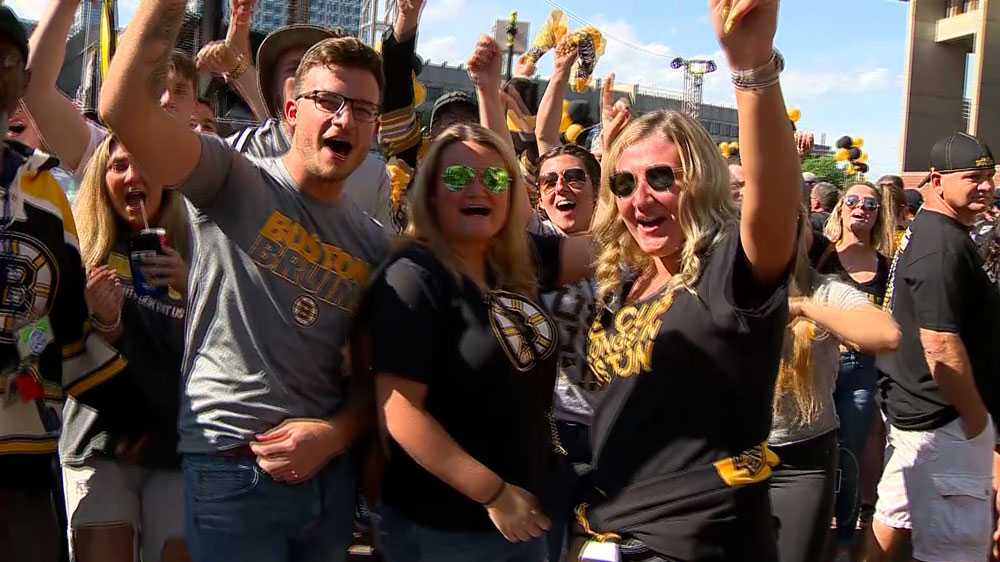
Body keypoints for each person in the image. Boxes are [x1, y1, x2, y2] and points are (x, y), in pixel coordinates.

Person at [100, 0, 390, 558]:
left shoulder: (376, 244)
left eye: (362, 108)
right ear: (289, 110)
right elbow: (123, 107)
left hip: (329, 482)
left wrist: (333, 435)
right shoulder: (233, 178)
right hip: (233, 471)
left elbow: (378, 379)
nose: (344, 119)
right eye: (327, 101)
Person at [576, 2, 801, 559]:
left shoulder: (730, 271)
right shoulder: (624, 281)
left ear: (699, 180)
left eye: (659, 178)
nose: (640, 197)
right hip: (607, 530)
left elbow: (774, 201)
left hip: (699, 542)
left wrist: (750, 70)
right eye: (624, 184)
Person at [0, 7, 126, 561]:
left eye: (5, 60)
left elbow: (57, 331)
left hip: (22, 452)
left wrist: (105, 319)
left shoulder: (45, 191)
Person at [869, 132, 1000, 562]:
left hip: (919, 415)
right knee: (956, 551)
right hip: (946, 422)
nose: (985, 185)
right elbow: (940, 344)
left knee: (893, 521)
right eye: (972, 176)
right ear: (937, 181)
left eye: (989, 175)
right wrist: (978, 422)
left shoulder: (933, 229)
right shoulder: (941, 245)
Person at [61, 134, 192, 562]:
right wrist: (103, 324)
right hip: (99, 445)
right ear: (101, 182)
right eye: (118, 166)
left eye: (144, 164)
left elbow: (227, 348)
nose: (132, 175)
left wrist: (192, 288)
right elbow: (47, 348)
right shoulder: (80, 254)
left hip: (175, 450)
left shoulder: (198, 251)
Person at [769, 211, 899, 562]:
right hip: (730, 456)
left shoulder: (822, 289)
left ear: (803, 239)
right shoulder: (720, 288)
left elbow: (885, 334)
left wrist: (804, 308)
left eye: (782, 229)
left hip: (801, 457)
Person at [202, 0, 395, 228]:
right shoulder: (243, 154)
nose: (310, 78)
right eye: (296, 69)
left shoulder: (373, 176)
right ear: (283, 101)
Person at [24, 0, 198, 185]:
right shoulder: (102, 152)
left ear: (195, 104)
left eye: (180, 91)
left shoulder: (215, 168)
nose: (167, 99)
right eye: (158, 89)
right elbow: (33, 85)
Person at [814, 179, 895, 550]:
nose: (861, 207)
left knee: (847, 453)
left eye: (871, 204)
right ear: (841, 209)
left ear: (879, 215)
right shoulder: (823, 255)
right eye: (853, 200)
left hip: (861, 372)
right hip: (817, 365)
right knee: (813, 450)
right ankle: (811, 526)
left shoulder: (886, 266)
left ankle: (843, 538)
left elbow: (891, 321)